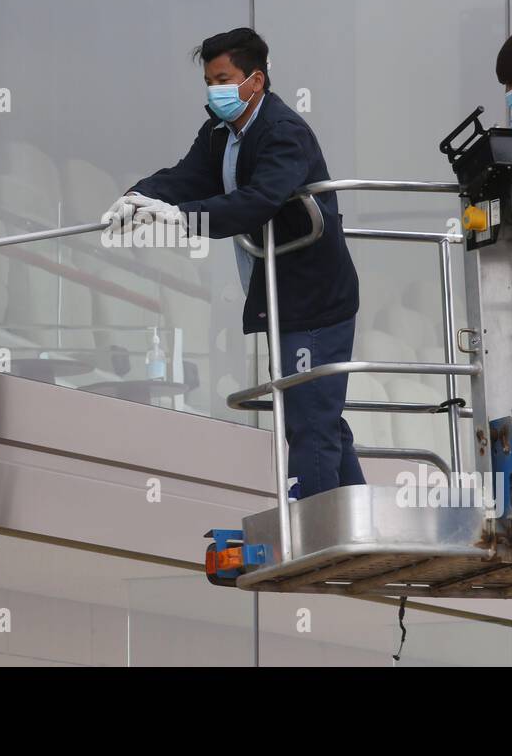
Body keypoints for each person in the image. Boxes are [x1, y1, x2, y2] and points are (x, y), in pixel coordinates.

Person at [102, 27, 362, 501]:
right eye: (208, 81)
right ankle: (357, 518)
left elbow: (256, 202)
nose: (214, 90)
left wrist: (181, 218)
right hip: (283, 300)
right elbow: (187, 177)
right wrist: (139, 197)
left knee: (309, 420)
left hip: (315, 302)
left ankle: (314, 530)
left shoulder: (284, 134)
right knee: (316, 413)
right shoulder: (222, 132)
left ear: (255, 80)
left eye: (223, 79)